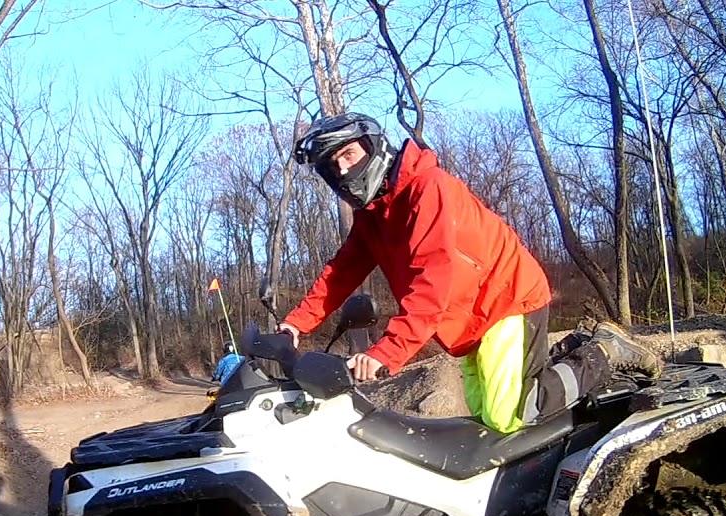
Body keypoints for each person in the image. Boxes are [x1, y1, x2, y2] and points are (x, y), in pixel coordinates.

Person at [279, 112, 662, 433]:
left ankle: (604, 352)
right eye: (333, 166)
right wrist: (295, 325)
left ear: (375, 146)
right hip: (468, 318)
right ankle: (562, 355)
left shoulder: (429, 189)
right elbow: (341, 272)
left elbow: (433, 282)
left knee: (510, 415)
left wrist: (386, 353)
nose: (344, 169)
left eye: (349, 154)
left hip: (505, 299)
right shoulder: (375, 214)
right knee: (484, 421)